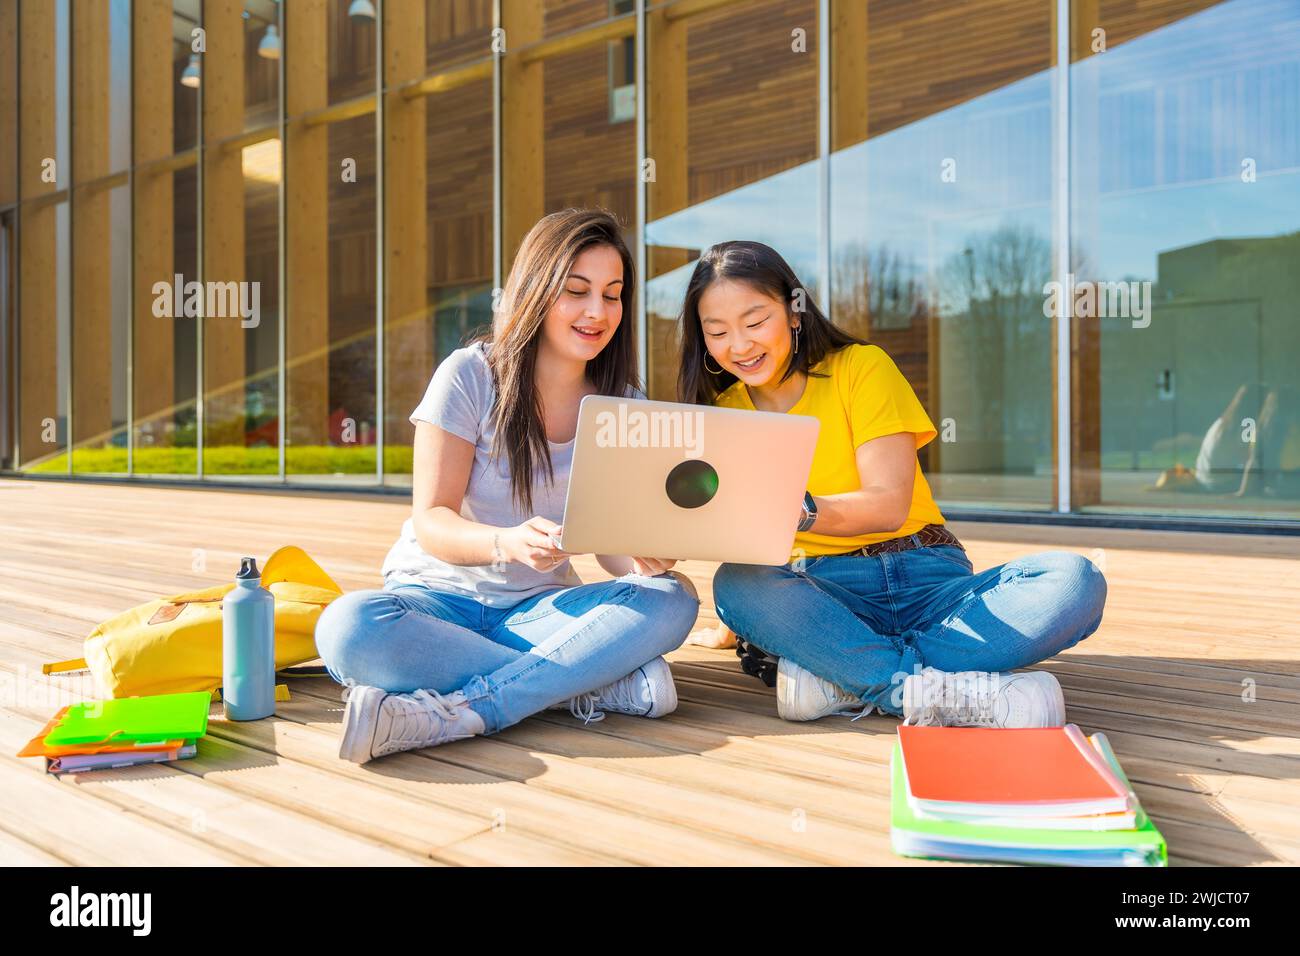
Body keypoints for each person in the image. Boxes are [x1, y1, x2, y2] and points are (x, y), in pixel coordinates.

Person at [315, 209, 699, 764]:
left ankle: (477, 704)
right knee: (349, 629)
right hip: (433, 604)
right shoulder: (469, 376)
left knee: (672, 599)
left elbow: (611, 548)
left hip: (539, 610)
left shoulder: (624, 403)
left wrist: (643, 558)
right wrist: (505, 542)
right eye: (577, 291)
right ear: (538, 289)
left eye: (613, 295)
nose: (598, 312)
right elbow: (433, 520)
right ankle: (582, 680)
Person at [676, 240, 1107, 728]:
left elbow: (888, 505)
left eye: (755, 322)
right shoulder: (723, 413)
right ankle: (927, 686)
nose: (740, 345)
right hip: (824, 593)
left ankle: (848, 675)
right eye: (717, 332)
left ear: (794, 313)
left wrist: (803, 510)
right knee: (737, 582)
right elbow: (741, 542)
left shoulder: (862, 368)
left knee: (1075, 580)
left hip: (927, 578)